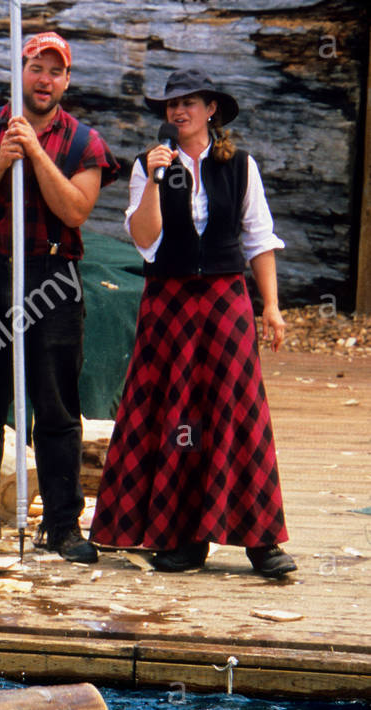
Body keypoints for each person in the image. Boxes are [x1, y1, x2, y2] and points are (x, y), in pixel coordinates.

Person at [89, 70, 295, 578]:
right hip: (170, 301)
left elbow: (259, 238)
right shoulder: (146, 166)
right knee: (178, 417)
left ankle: (260, 540)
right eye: (171, 105)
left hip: (226, 299)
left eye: (189, 103)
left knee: (238, 412)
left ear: (211, 111)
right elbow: (144, 239)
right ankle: (183, 537)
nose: (178, 112)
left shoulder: (241, 166)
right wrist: (157, 181)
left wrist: (270, 305)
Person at [0, 31, 118, 563]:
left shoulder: (83, 141)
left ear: (67, 80)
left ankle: (62, 526)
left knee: (57, 405)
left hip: (55, 277)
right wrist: (0, 162)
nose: (46, 80)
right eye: (37, 68)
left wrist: (35, 153)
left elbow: (76, 210)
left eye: (56, 72)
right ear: (21, 72)